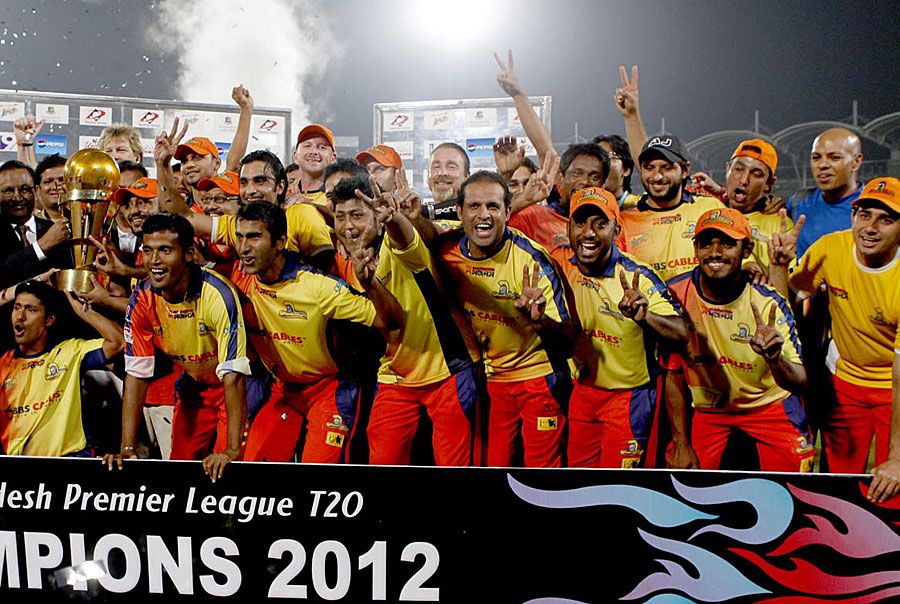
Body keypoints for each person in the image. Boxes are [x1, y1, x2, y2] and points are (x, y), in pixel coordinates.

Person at [229, 201, 404, 462]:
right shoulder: (240, 285)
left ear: (280, 242)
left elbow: (389, 320)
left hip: (329, 389)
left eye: (254, 237)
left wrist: (371, 284)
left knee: (319, 475)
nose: (244, 248)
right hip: (284, 391)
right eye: (240, 237)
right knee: (253, 466)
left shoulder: (318, 287)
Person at [333, 174, 482, 466]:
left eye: (357, 215)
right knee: (383, 465)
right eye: (340, 217)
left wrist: (393, 219)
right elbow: (391, 320)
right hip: (396, 374)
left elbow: (404, 238)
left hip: (448, 369)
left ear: (376, 218)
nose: (348, 226)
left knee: (457, 475)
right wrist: (370, 284)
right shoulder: (353, 263)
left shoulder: (397, 243)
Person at [436, 170, 574, 467]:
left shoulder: (532, 260)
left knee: (540, 474)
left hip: (538, 377)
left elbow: (569, 340)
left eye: (493, 206)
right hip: (493, 379)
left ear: (508, 212)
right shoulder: (445, 250)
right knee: (494, 468)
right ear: (459, 212)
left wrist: (541, 322)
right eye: (474, 206)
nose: (483, 215)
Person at [666, 207, 812, 472]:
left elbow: (801, 380)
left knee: (797, 483)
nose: (715, 252)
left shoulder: (766, 299)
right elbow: (672, 372)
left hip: (769, 406)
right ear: (695, 249)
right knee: (689, 481)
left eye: (727, 243)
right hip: (711, 412)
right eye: (706, 243)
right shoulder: (675, 293)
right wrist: (680, 442)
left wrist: (775, 359)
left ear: (747, 250)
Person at [107, 213, 251, 481]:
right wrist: (127, 448)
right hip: (194, 387)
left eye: (165, 250)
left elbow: (234, 374)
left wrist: (232, 450)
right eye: (147, 250)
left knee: (227, 470)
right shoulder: (142, 298)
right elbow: (137, 373)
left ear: (188, 254)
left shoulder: (218, 294)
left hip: (236, 388)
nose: (154, 260)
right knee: (179, 472)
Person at [551, 187, 689, 468]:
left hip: (628, 398)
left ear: (616, 231)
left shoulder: (637, 276)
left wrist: (646, 316)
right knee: (579, 483)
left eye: (600, 224)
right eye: (580, 223)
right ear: (568, 228)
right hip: (583, 393)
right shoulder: (559, 263)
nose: (589, 233)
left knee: (620, 485)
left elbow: (682, 331)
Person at [783, 177, 900, 502]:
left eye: (886, 219)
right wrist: (779, 266)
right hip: (844, 379)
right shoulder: (831, 248)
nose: (870, 228)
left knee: (891, 488)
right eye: (864, 215)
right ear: (852, 216)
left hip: (892, 387)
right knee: (839, 485)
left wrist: (897, 458)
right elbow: (786, 304)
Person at [0, 280, 123, 456]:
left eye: (30, 309)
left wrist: (82, 309)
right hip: (20, 464)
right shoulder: (4, 365)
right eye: (17, 307)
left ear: (49, 320)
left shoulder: (69, 352)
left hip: (69, 460)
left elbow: (118, 342)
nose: (20, 316)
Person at [616, 134, 724, 283]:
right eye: (649, 168)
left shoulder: (710, 209)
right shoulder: (624, 222)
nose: (657, 176)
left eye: (666, 167)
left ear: (685, 170)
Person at [788, 127, 864, 258]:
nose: (822, 165)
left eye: (834, 157)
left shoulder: (873, 207)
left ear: (856, 162)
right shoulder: (797, 202)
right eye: (816, 157)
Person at [0, 160, 71, 288]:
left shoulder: (55, 231)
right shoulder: (51, 237)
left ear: (36, 191)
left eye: (25, 189)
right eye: (8, 191)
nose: (17, 197)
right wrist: (41, 246)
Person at [292, 123, 337, 206]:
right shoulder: (283, 195)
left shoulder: (339, 198)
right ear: (295, 156)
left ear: (333, 158)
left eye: (322, 147)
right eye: (307, 146)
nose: (313, 152)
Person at [33, 153, 67, 221]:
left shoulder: (86, 220)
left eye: (61, 180)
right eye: (48, 182)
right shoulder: (31, 224)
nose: (55, 187)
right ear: (38, 189)